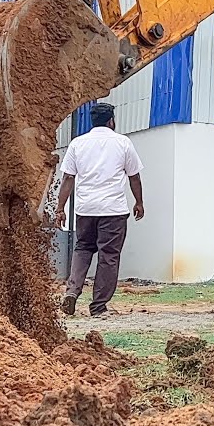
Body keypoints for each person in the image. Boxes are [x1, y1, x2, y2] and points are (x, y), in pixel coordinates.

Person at [55, 102, 144, 318]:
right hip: (113, 210)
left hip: (85, 209)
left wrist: (60, 208)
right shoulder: (123, 143)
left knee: (82, 248)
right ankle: (98, 307)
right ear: (111, 120)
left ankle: (72, 292)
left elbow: (68, 177)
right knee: (109, 255)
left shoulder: (78, 144)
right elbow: (134, 176)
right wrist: (139, 202)